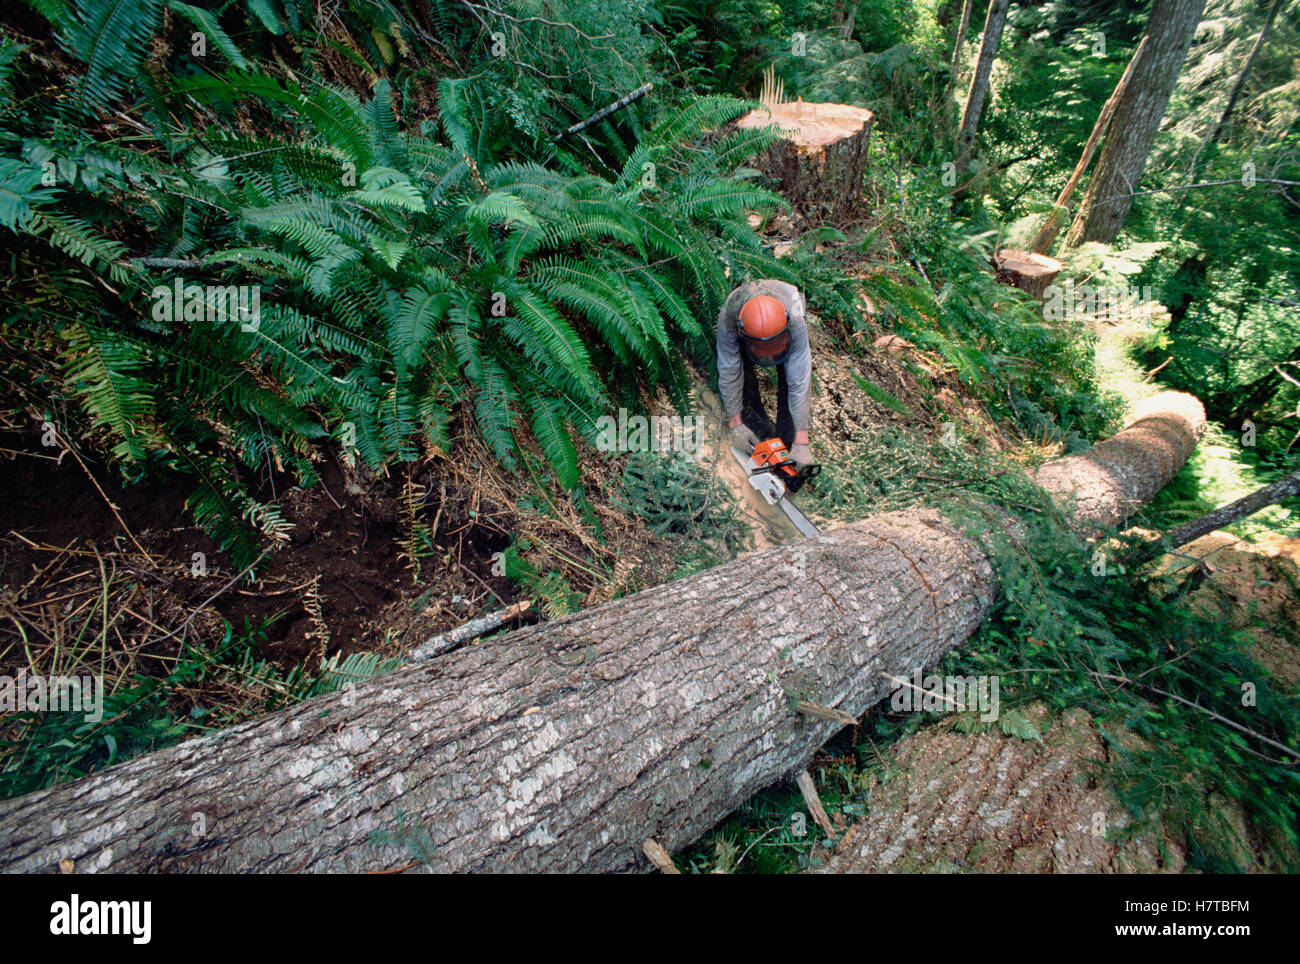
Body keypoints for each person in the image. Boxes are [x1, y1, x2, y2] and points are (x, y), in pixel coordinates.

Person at [716, 279, 813, 467]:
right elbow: (729, 368)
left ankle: (787, 443)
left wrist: (802, 441)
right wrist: (735, 424)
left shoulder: (795, 319)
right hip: (749, 335)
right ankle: (756, 431)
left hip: (785, 331)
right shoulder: (729, 317)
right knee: (743, 374)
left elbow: (800, 381)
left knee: (789, 381)